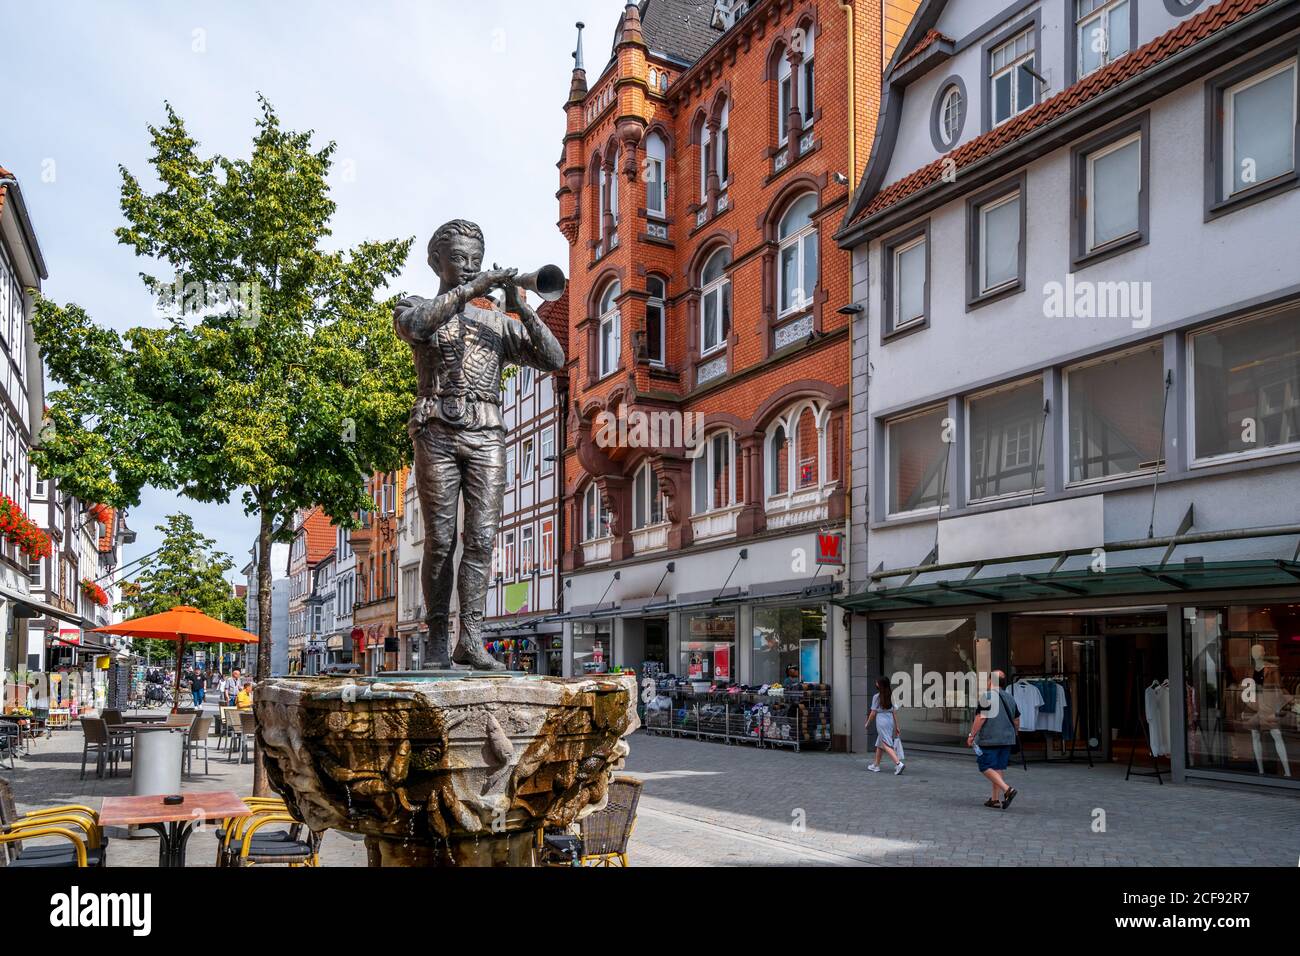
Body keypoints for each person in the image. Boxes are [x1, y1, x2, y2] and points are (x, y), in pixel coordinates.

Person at [393, 219, 566, 669]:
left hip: (488, 431)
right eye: (460, 259)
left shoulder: (496, 324)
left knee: (483, 538)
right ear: (437, 262)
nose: (470, 267)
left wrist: (520, 306)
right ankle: (435, 636)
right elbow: (418, 326)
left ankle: (470, 637)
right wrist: (474, 291)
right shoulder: (415, 305)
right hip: (437, 428)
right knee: (441, 538)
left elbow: (554, 358)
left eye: (476, 260)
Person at [967, 670, 1020, 809]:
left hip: (990, 738)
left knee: (984, 765)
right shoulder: (1010, 697)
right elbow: (1016, 719)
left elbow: (981, 717)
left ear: (991, 681)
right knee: (997, 767)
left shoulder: (987, 696)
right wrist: (1014, 733)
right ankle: (995, 799)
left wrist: (972, 735)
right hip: (1007, 739)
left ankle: (1007, 789)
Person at [865, 676, 905, 775]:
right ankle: (876, 765)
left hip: (881, 721)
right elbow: (894, 712)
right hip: (890, 721)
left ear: (880, 685)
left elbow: (873, 713)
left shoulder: (876, 697)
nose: (876, 683)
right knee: (880, 742)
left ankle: (898, 764)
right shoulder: (892, 696)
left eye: (877, 682)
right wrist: (897, 726)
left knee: (886, 744)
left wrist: (867, 723)